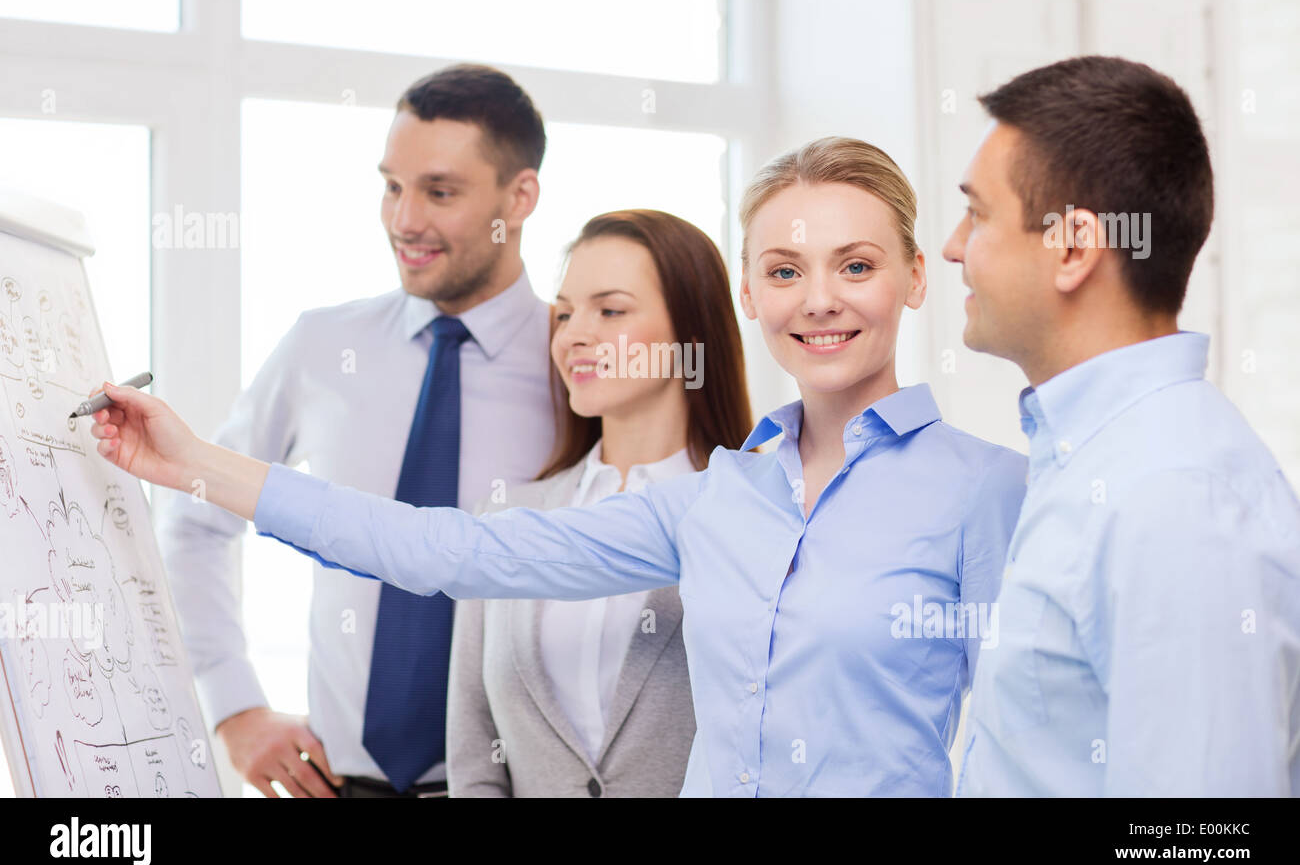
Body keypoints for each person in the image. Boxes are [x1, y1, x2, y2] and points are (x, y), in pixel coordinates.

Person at [90, 136, 1028, 797]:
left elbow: (1025, 747)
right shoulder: (719, 500)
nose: (819, 300)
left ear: (914, 274)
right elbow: (443, 551)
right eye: (785, 271)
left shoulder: (984, 488)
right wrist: (197, 465)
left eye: (854, 266)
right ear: (748, 291)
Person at [157, 63, 558, 797]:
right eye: (392, 186)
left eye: (439, 192)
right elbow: (194, 514)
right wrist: (236, 706)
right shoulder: (321, 346)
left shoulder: (577, 364)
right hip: (336, 783)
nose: (404, 220)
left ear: (519, 196)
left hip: (518, 783)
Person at [941, 55, 1300, 796]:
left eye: (977, 214)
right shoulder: (1103, 458)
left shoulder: (1176, 498)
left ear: (1072, 248)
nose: (951, 246)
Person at [448, 209, 752, 797]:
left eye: (610, 311)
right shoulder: (506, 520)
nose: (573, 335)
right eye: (564, 314)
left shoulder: (756, 515)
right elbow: (473, 756)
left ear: (691, 332)